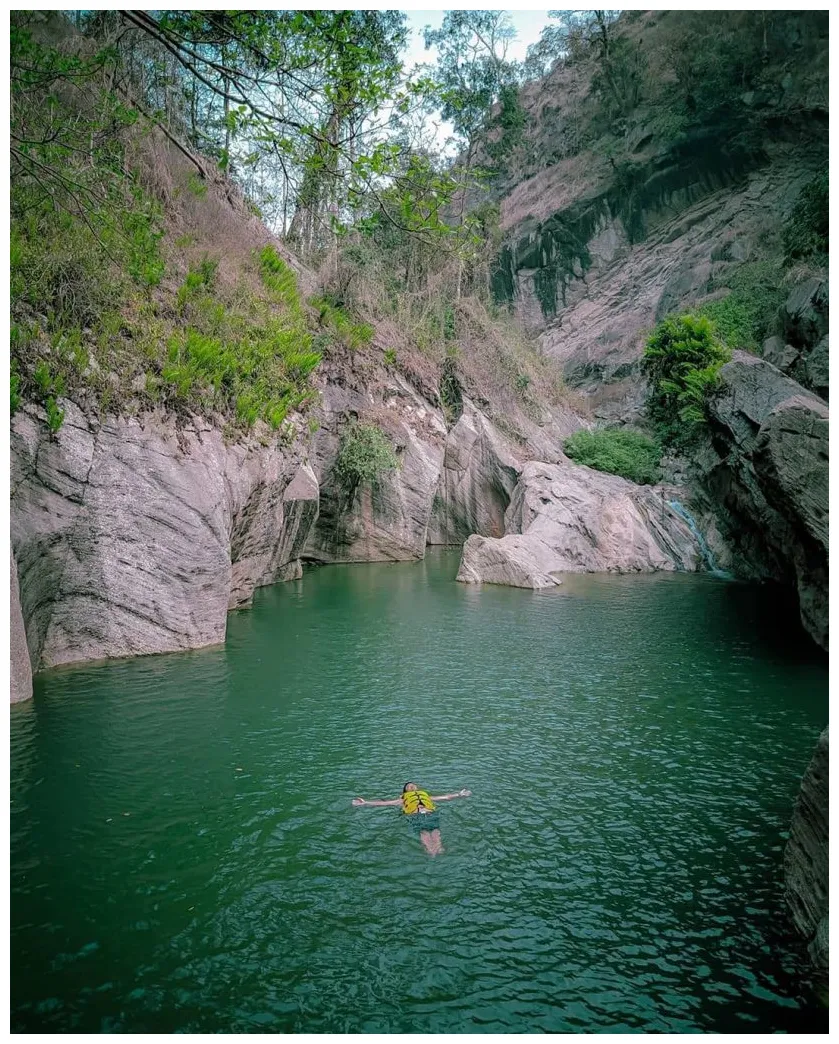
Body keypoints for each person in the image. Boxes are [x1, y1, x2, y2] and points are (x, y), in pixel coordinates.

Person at [352, 782, 472, 857]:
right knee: (424, 833)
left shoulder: (427, 796)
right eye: (408, 786)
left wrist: (459, 794)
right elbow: (385, 803)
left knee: (436, 832)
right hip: (416, 816)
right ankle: (431, 852)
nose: (412, 785)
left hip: (431, 814)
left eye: (413, 785)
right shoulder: (402, 799)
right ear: (405, 791)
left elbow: (445, 797)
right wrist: (365, 802)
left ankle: (438, 849)